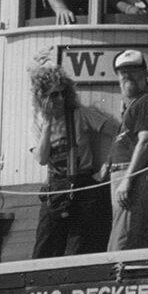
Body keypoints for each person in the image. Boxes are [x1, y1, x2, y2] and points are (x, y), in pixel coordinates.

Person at [28, 63, 111, 257]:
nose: (60, 98)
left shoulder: (81, 115)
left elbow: (120, 133)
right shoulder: (37, 124)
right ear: (41, 98)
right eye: (53, 95)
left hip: (82, 187)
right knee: (44, 248)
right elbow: (41, 158)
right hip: (55, 190)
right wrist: (48, 123)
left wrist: (108, 164)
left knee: (79, 249)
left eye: (63, 93)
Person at [107, 49, 148, 250]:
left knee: (121, 243)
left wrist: (127, 180)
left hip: (136, 178)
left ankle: (118, 281)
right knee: (136, 241)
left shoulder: (147, 101)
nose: (127, 75)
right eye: (122, 71)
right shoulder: (133, 106)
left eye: (133, 70)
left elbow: (146, 142)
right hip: (128, 177)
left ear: (145, 74)